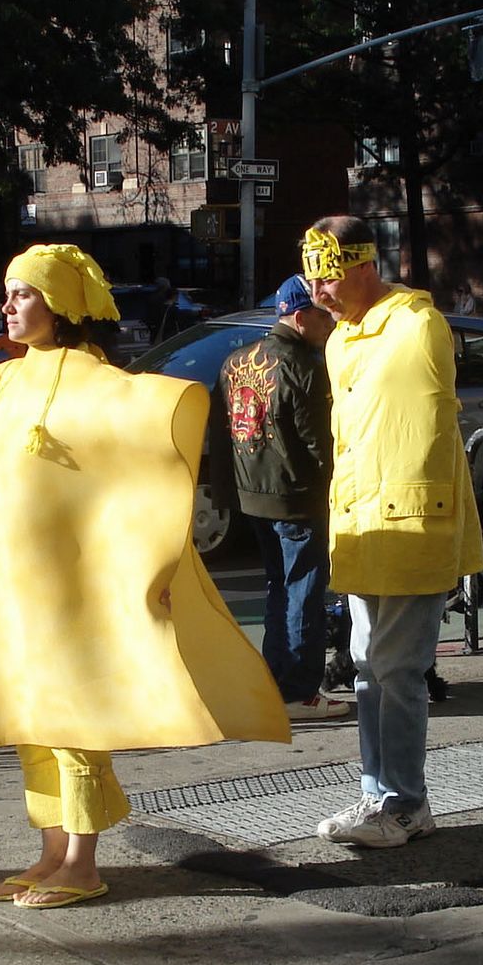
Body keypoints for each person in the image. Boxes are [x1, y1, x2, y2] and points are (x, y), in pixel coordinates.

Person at [0, 244, 291, 908]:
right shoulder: (9, 379)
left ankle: (82, 863)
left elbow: (147, 446)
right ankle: (50, 851)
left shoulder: (100, 383)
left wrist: (146, 559)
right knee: (28, 716)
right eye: (8, 292)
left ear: (61, 304)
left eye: (23, 293)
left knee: (73, 718)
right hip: (6, 580)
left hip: (71, 586)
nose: (7, 306)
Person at [302, 216, 483, 848]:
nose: (317, 292)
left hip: (411, 524)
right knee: (364, 668)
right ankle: (378, 795)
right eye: (311, 279)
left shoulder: (417, 324)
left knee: (396, 669)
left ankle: (406, 803)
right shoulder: (339, 340)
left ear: (364, 265)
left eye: (327, 277)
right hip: (361, 523)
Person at [214, 275, 348, 719]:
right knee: (303, 592)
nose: (330, 323)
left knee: (278, 589)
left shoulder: (235, 361)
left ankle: (275, 682)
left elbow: (222, 433)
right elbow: (319, 441)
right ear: (300, 317)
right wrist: (338, 484)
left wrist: (228, 491)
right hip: (296, 494)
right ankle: (297, 691)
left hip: (252, 493)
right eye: (322, 315)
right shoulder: (304, 365)